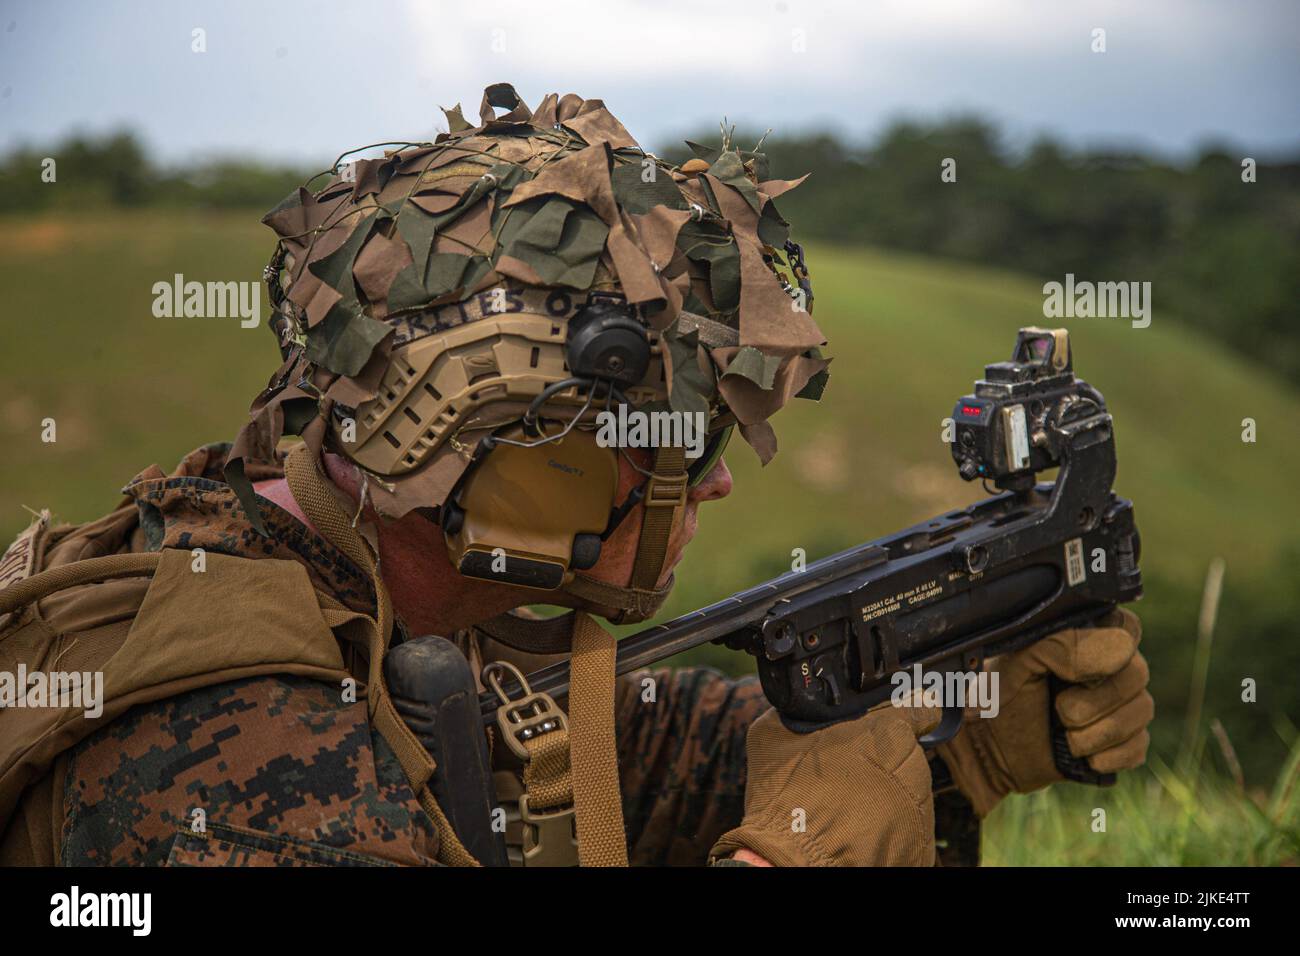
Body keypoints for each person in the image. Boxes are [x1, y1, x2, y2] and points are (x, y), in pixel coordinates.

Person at [0, 84, 1153, 867]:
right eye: (676, 439)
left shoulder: (380, 577)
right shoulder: (245, 764)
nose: (709, 485)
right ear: (511, 458)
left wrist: (956, 739)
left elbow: (633, 751)